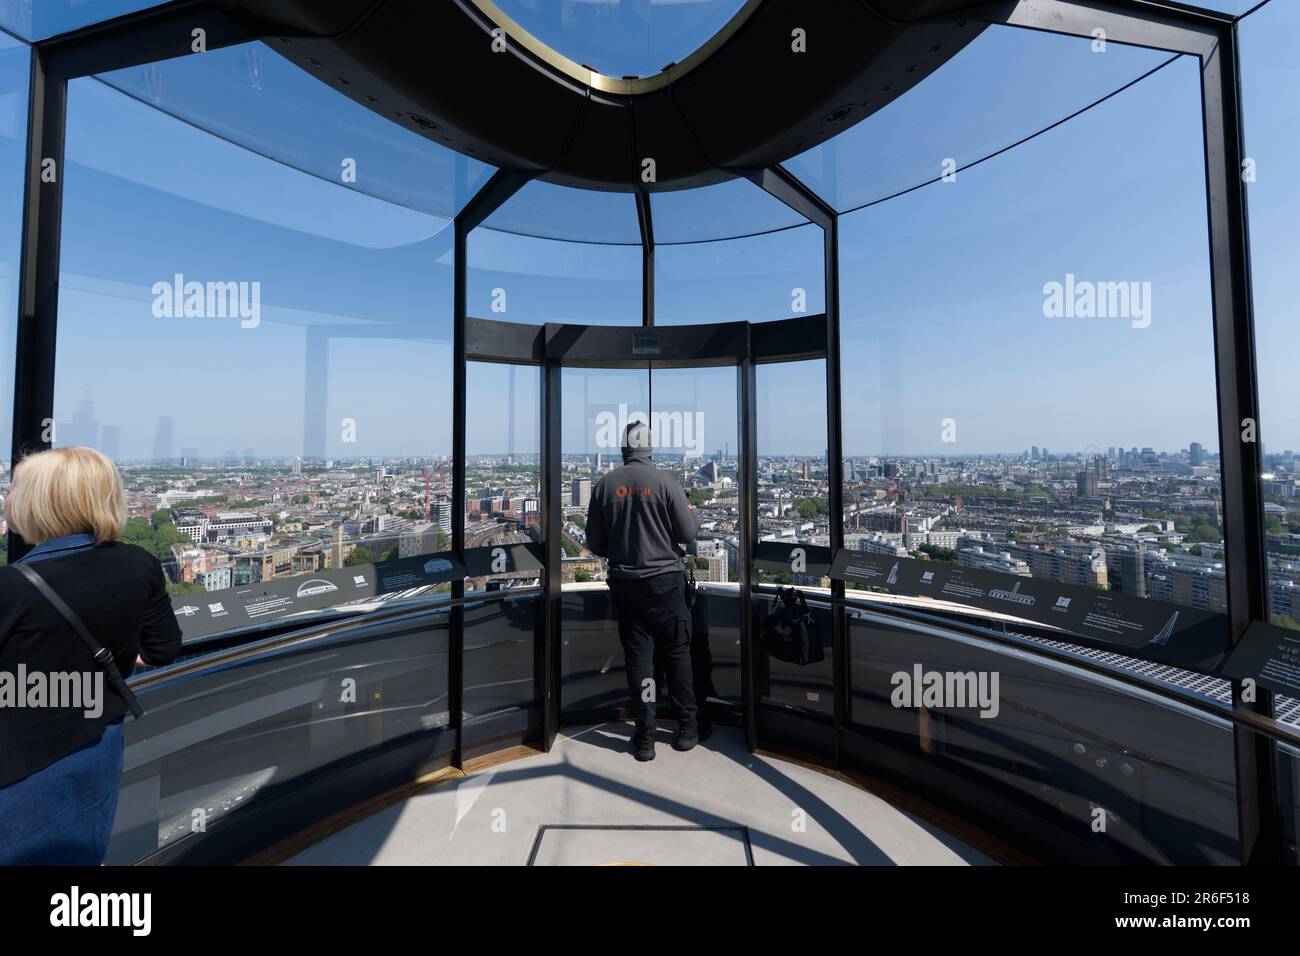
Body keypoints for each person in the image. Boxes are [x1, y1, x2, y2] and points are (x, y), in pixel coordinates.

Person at [0, 447, 182, 865]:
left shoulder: (9, 588)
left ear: (37, 503)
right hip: (97, 749)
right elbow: (162, 649)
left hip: (17, 772)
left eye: (15, 491)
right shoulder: (139, 564)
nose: (8, 500)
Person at [585, 421, 699, 761]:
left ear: (623, 449)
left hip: (627, 586)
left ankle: (645, 737)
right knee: (677, 655)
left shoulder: (605, 486)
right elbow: (688, 533)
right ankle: (686, 728)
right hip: (666, 584)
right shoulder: (666, 482)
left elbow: (594, 542)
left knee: (640, 661)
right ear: (650, 449)